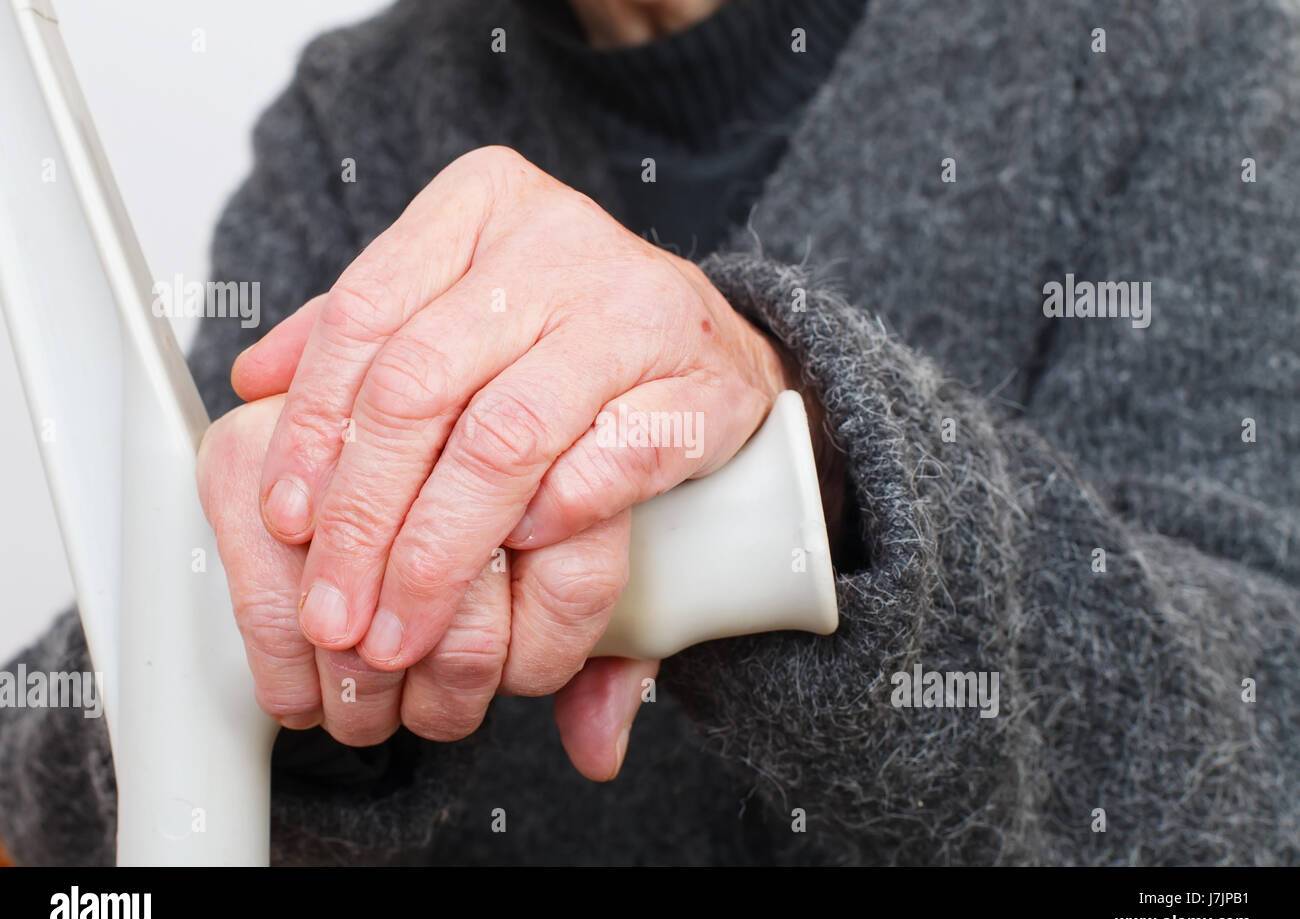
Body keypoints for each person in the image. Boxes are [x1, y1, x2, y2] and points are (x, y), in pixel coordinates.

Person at [1, 0, 1297, 866]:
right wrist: (279, 609)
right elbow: (52, 780)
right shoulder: (354, 121)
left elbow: (1263, 761)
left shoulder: (1181, 45)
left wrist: (826, 463)